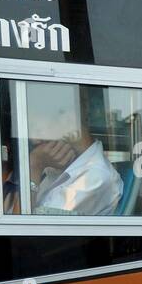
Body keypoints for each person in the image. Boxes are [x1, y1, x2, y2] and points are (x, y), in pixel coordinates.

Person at [24, 83, 122, 216]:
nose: (34, 140)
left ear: (69, 120)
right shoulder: (57, 167)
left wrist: (34, 165)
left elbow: (28, 231)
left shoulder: (95, 178)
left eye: (37, 129)